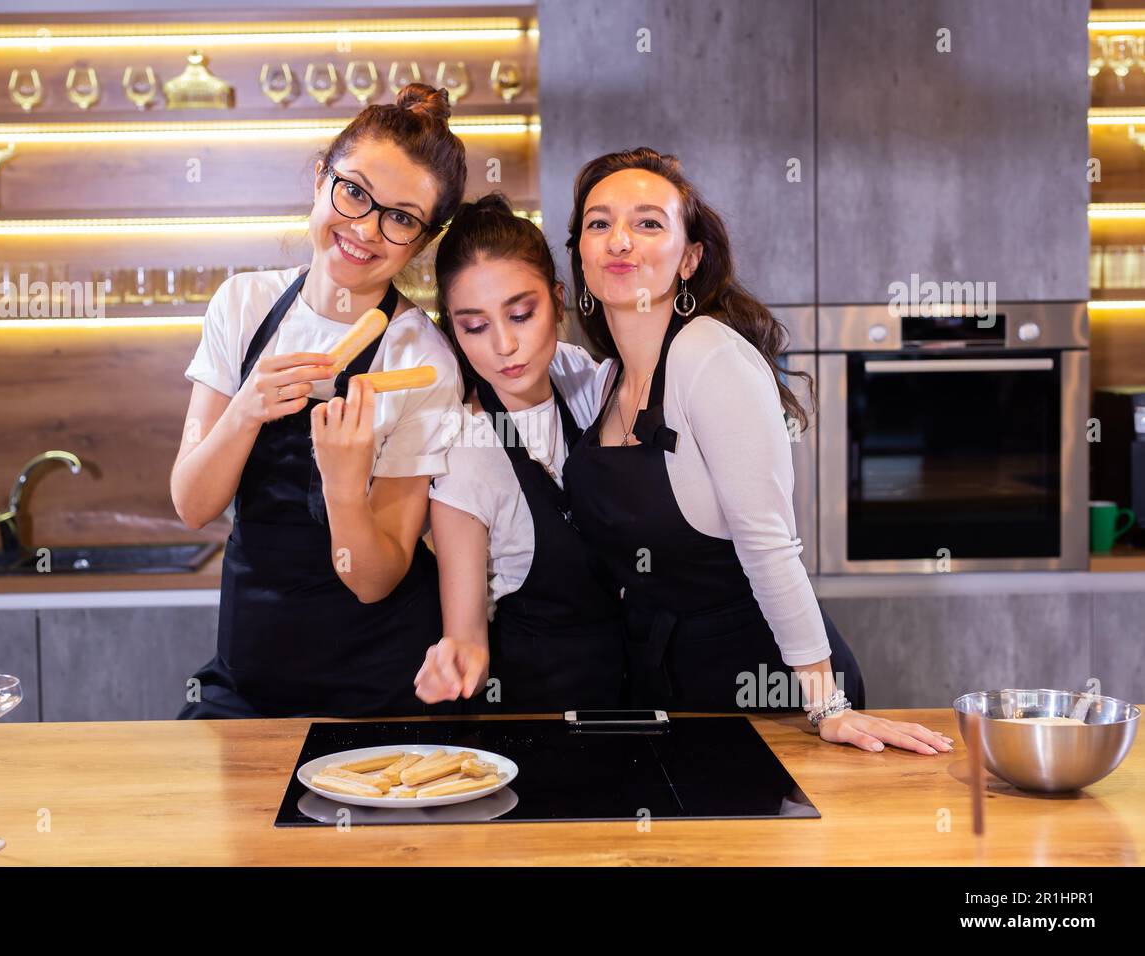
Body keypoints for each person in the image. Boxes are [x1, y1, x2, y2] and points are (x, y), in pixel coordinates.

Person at [561, 147, 952, 754]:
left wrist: (827, 706)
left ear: (689, 258)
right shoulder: (609, 380)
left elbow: (770, 548)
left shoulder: (708, 356)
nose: (619, 241)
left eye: (647, 223)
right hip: (663, 684)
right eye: (599, 223)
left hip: (768, 692)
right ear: (580, 254)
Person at [171, 85, 466, 719]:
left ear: (423, 239)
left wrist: (343, 484)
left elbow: (375, 578)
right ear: (319, 179)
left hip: (376, 688)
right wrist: (247, 408)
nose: (365, 229)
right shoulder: (242, 308)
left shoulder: (420, 362)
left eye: (401, 217)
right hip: (248, 678)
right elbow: (193, 505)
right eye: (354, 191)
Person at [413, 194, 627, 713]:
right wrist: (455, 660)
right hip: (535, 726)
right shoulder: (465, 452)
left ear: (557, 301)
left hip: (636, 705)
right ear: (453, 333)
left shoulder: (583, 378)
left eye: (522, 314)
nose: (505, 345)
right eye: (476, 326)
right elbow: (465, 634)